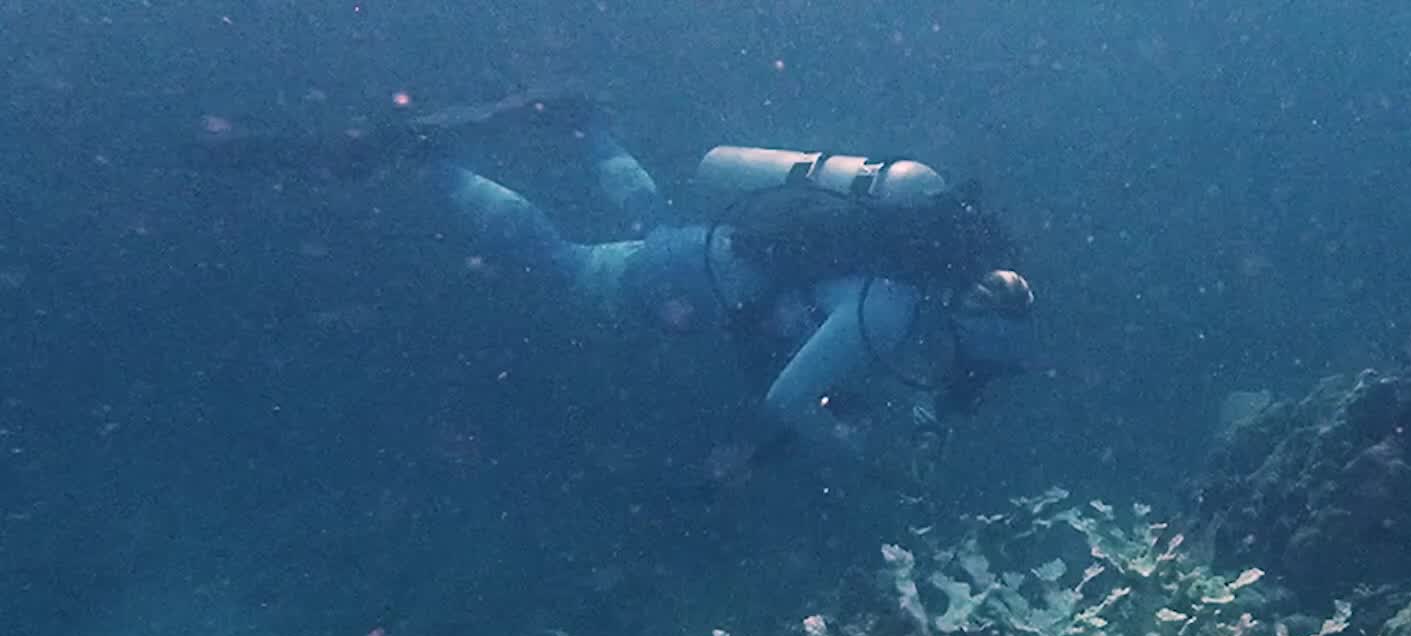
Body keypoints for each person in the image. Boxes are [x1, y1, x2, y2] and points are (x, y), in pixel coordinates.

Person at [199, 93, 1037, 485]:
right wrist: (854, 454)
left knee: (648, 226)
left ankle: (591, 122)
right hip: (702, 278)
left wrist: (921, 419)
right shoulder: (890, 313)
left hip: (725, 253)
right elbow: (787, 396)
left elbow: (865, 343)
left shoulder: (911, 271)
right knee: (567, 264)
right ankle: (432, 161)